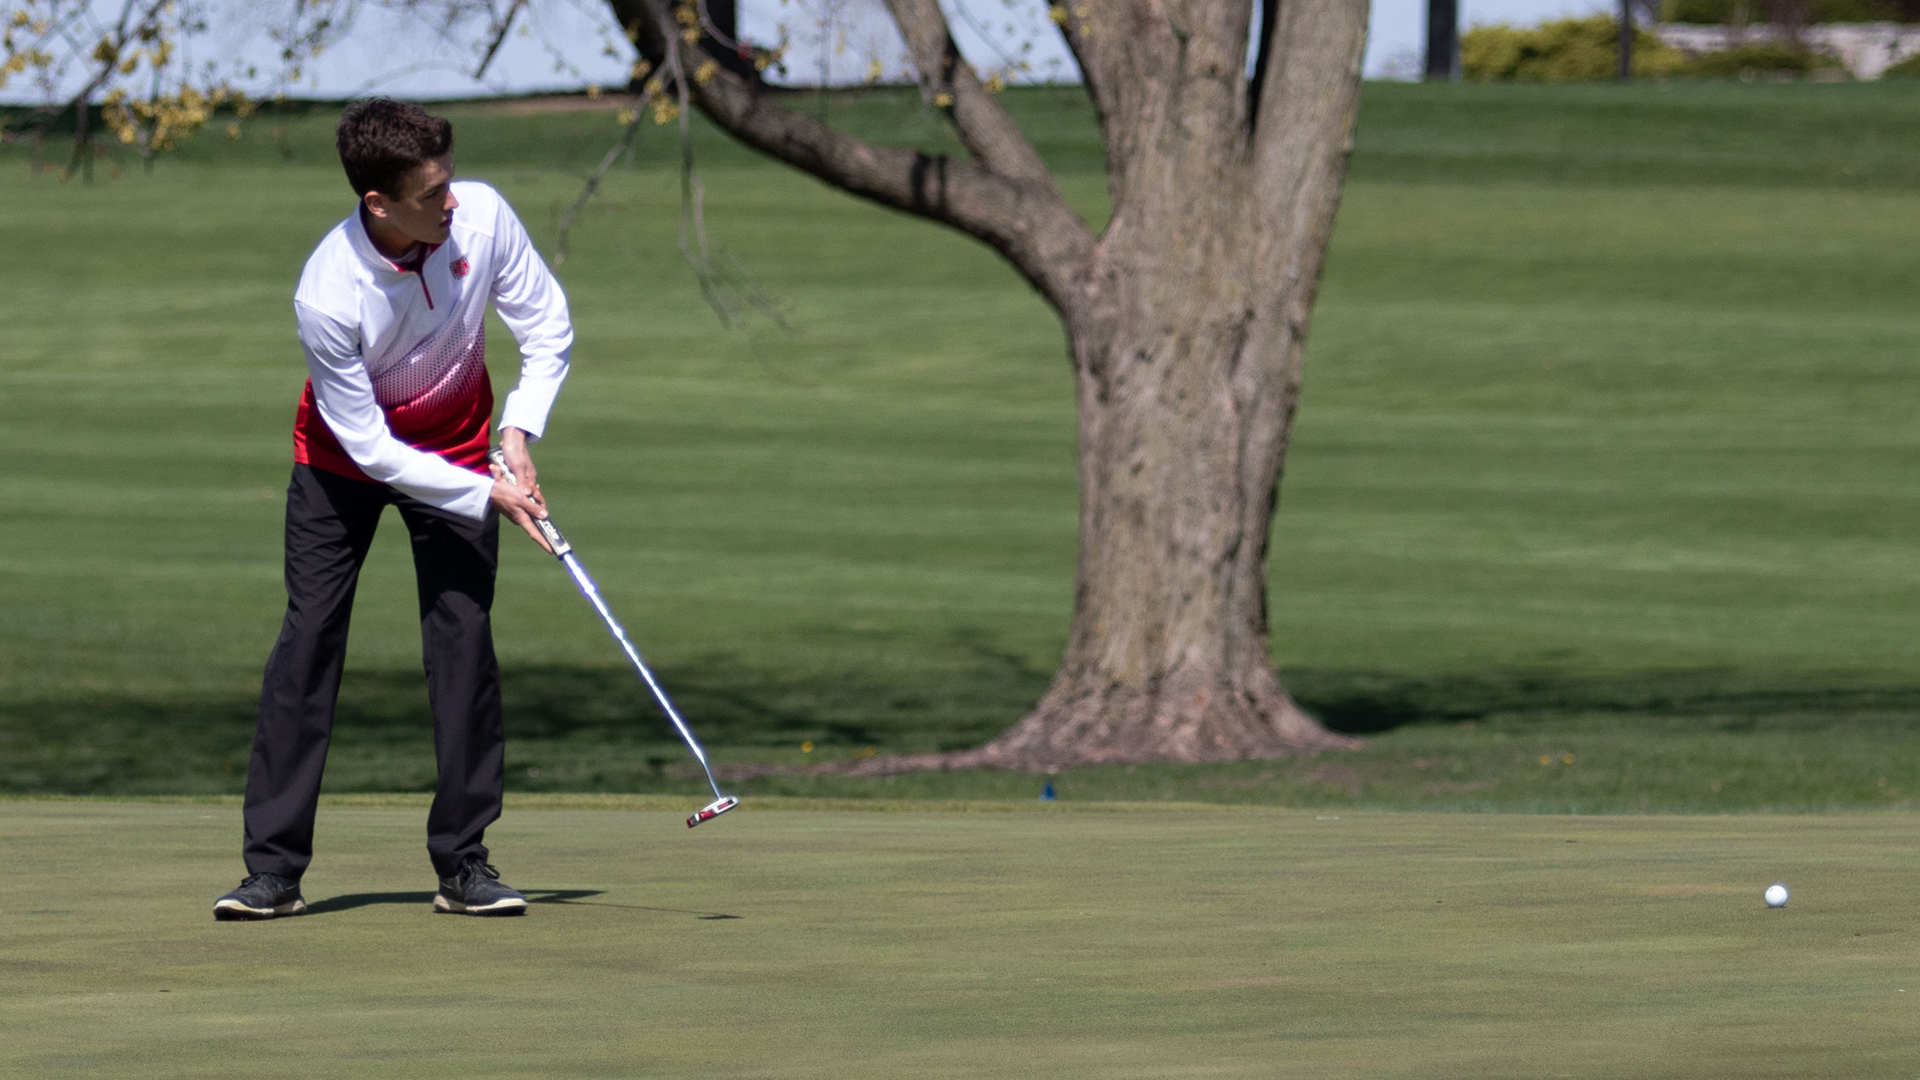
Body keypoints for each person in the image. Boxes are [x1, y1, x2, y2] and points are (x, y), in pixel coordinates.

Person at [214, 98, 571, 920]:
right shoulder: (328, 290)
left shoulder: (480, 218)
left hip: (458, 444)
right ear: (378, 202)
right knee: (309, 640)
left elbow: (546, 328)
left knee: (462, 637)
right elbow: (372, 449)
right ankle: (272, 871)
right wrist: (489, 492)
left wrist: (517, 429)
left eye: (450, 182)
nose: (453, 201)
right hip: (341, 462)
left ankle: (465, 861)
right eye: (432, 193)